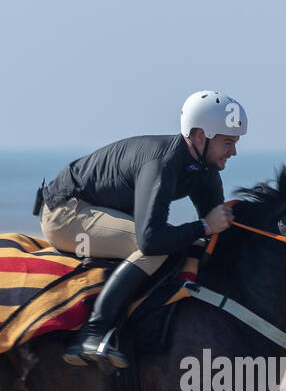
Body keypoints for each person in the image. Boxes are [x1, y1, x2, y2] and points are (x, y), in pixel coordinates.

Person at [37, 91, 246, 368]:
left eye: (235, 142)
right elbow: (151, 241)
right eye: (228, 142)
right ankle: (91, 333)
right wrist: (204, 225)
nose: (234, 151)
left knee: (186, 244)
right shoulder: (162, 163)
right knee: (155, 251)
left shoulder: (204, 169)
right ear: (199, 136)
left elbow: (216, 235)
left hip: (97, 209)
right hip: (65, 215)